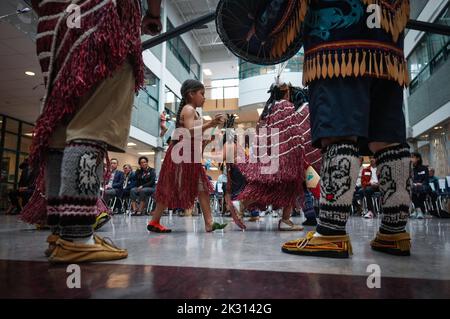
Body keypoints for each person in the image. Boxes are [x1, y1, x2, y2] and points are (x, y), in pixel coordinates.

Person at [22, 0, 163, 263]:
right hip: (102, 16)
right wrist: (153, 14)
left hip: (52, 30)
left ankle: (61, 234)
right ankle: (77, 237)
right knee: (92, 127)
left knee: (61, 133)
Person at [147, 79, 227, 233]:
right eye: (202, 94)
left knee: (186, 186)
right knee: (193, 186)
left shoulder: (193, 111)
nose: (204, 98)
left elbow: (195, 136)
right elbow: (189, 131)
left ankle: (155, 221)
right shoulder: (189, 109)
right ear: (191, 94)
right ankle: (208, 223)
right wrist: (210, 125)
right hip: (183, 152)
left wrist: (207, 138)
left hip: (185, 152)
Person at [411, 152, 429, 220]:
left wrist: (421, 183)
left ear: (418, 158)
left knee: (423, 188)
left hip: (423, 185)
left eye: (413, 157)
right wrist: (415, 183)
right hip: (414, 186)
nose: (411, 159)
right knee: (411, 189)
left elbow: (426, 179)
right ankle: (419, 210)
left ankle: (417, 210)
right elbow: (410, 179)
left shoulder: (424, 168)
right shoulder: (411, 169)